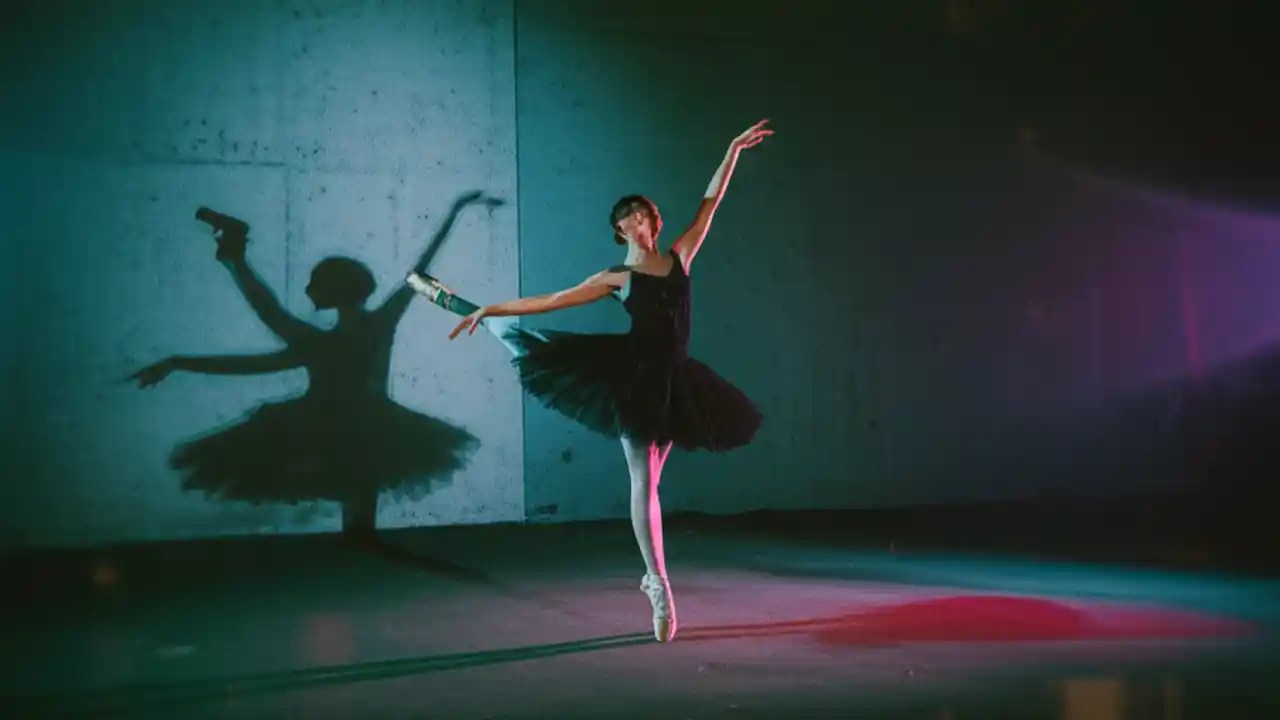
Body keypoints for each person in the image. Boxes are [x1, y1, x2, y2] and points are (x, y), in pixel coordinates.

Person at [407, 121, 773, 641]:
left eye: (642, 213)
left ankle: (469, 308)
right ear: (619, 231)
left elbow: (711, 202)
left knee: (654, 482)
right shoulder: (615, 278)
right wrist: (492, 304)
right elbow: (550, 301)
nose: (636, 220)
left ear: (653, 220)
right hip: (634, 380)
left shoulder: (680, 258)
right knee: (640, 477)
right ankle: (658, 585)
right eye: (626, 219)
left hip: (680, 383)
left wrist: (732, 149)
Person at [130, 192, 497, 542]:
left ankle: (236, 255)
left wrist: (178, 363)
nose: (307, 290)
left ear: (335, 291)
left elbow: (250, 359)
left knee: (360, 467)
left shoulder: (324, 343)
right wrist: (456, 211)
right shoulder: (375, 325)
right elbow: (420, 274)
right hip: (367, 421)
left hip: (340, 421)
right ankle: (236, 255)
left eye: (315, 284)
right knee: (364, 469)